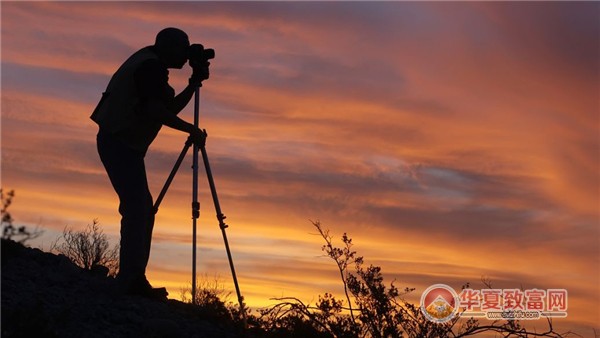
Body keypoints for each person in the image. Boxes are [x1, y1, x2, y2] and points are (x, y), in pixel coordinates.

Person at [91, 27, 209, 298]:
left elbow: (167, 109)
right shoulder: (149, 68)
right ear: (168, 47)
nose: (185, 55)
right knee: (137, 209)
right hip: (118, 141)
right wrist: (190, 129)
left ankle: (134, 277)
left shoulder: (149, 65)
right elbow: (155, 111)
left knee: (143, 208)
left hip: (125, 144)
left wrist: (193, 84)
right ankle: (131, 281)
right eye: (183, 49)